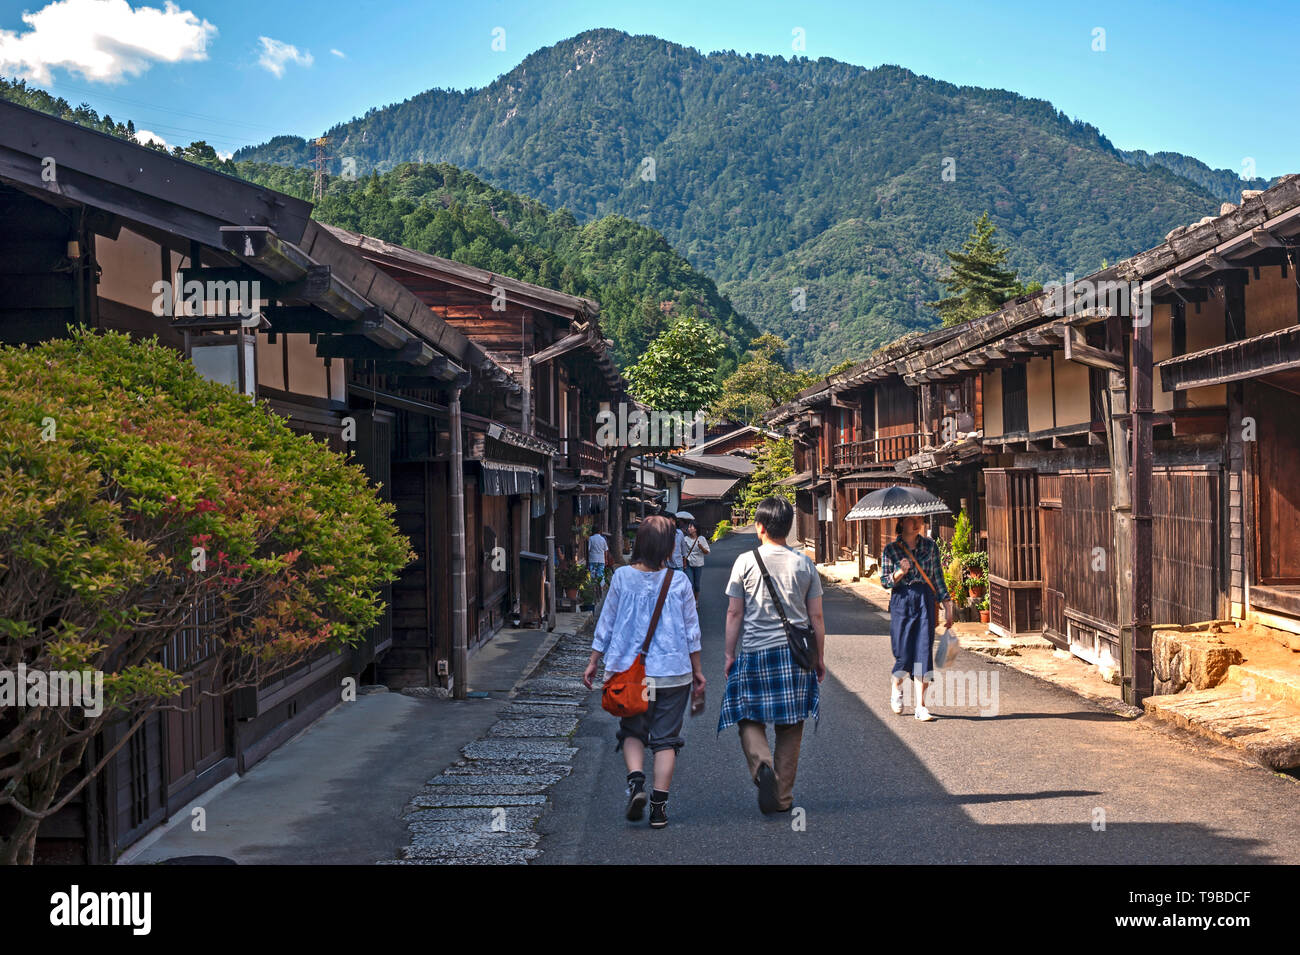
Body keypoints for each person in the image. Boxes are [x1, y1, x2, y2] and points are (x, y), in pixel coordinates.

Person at [583, 515, 704, 829]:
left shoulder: (621, 577)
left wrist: (595, 660)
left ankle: (636, 783)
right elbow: (692, 632)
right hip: (673, 673)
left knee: (633, 731)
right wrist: (699, 672)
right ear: (667, 547)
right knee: (665, 740)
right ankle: (659, 808)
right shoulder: (679, 582)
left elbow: (606, 623)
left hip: (631, 675)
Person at [718, 497, 825, 815]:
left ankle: (762, 765)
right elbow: (816, 618)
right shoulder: (804, 563)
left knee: (748, 717)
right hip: (795, 656)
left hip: (754, 653)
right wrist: (819, 658)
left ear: (760, 527)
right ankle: (781, 798)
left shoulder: (744, 562)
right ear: (790, 526)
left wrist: (728, 653)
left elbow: (734, 613)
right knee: (791, 726)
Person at [879, 514, 955, 722]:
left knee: (923, 651)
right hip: (901, 599)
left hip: (924, 600)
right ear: (902, 522)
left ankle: (921, 705)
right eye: (913, 519)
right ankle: (896, 685)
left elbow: (938, 577)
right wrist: (899, 572)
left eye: (920, 519)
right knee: (902, 652)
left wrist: (947, 605)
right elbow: (885, 582)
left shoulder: (930, 547)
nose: (918, 523)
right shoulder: (891, 550)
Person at [683, 522, 710, 601]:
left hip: (698, 564)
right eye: (688, 527)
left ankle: (696, 600)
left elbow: (707, 552)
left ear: (695, 529)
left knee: (697, 585)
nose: (688, 529)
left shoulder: (701, 539)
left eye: (691, 527)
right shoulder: (685, 539)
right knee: (690, 584)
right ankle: (690, 601)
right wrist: (684, 561)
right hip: (688, 564)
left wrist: (701, 547)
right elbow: (683, 552)